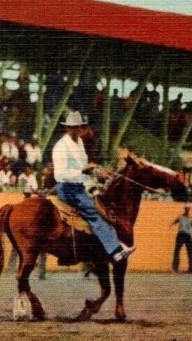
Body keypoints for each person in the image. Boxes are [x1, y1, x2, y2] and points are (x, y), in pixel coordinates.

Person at [52, 111, 134, 262]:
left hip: (79, 185)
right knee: (93, 213)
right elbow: (60, 175)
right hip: (67, 188)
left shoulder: (80, 143)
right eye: (73, 127)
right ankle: (115, 251)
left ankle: (108, 243)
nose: (76, 130)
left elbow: (85, 167)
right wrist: (84, 170)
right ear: (67, 128)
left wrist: (96, 172)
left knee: (105, 204)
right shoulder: (60, 147)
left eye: (78, 127)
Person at [169, 205, 192, 273]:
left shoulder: (191, 219)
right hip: (181, 235)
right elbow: (174, 222)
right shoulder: (181, 217)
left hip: (188, 236)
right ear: (184, 209)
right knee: (177, 251)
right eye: (186, 208)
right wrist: (171, 225)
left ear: (189, 209)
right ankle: (175, 268)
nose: (187, 210)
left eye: (188, 209)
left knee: (190, 252)